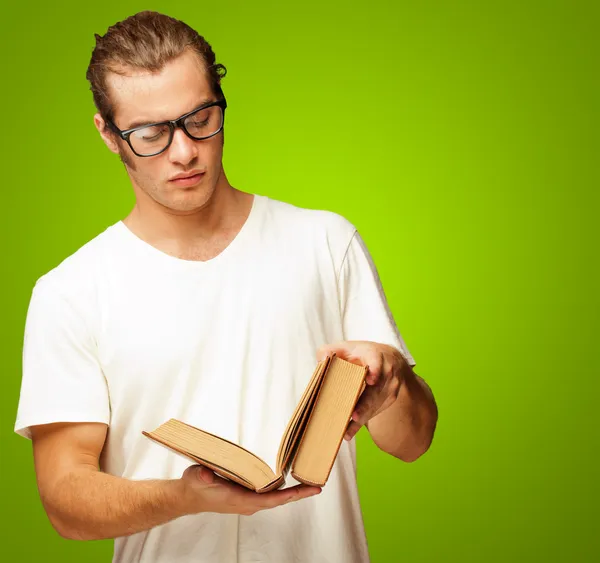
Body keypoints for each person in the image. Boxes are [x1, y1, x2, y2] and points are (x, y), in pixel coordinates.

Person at [14, 10, 438, 563]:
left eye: (201, 118)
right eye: (149, 133)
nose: (184, 151)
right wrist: (185, 497)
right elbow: (66, 502)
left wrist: (393, 381)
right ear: (108, 134)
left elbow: (412, 443)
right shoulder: (70, 292)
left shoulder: (325, 243)